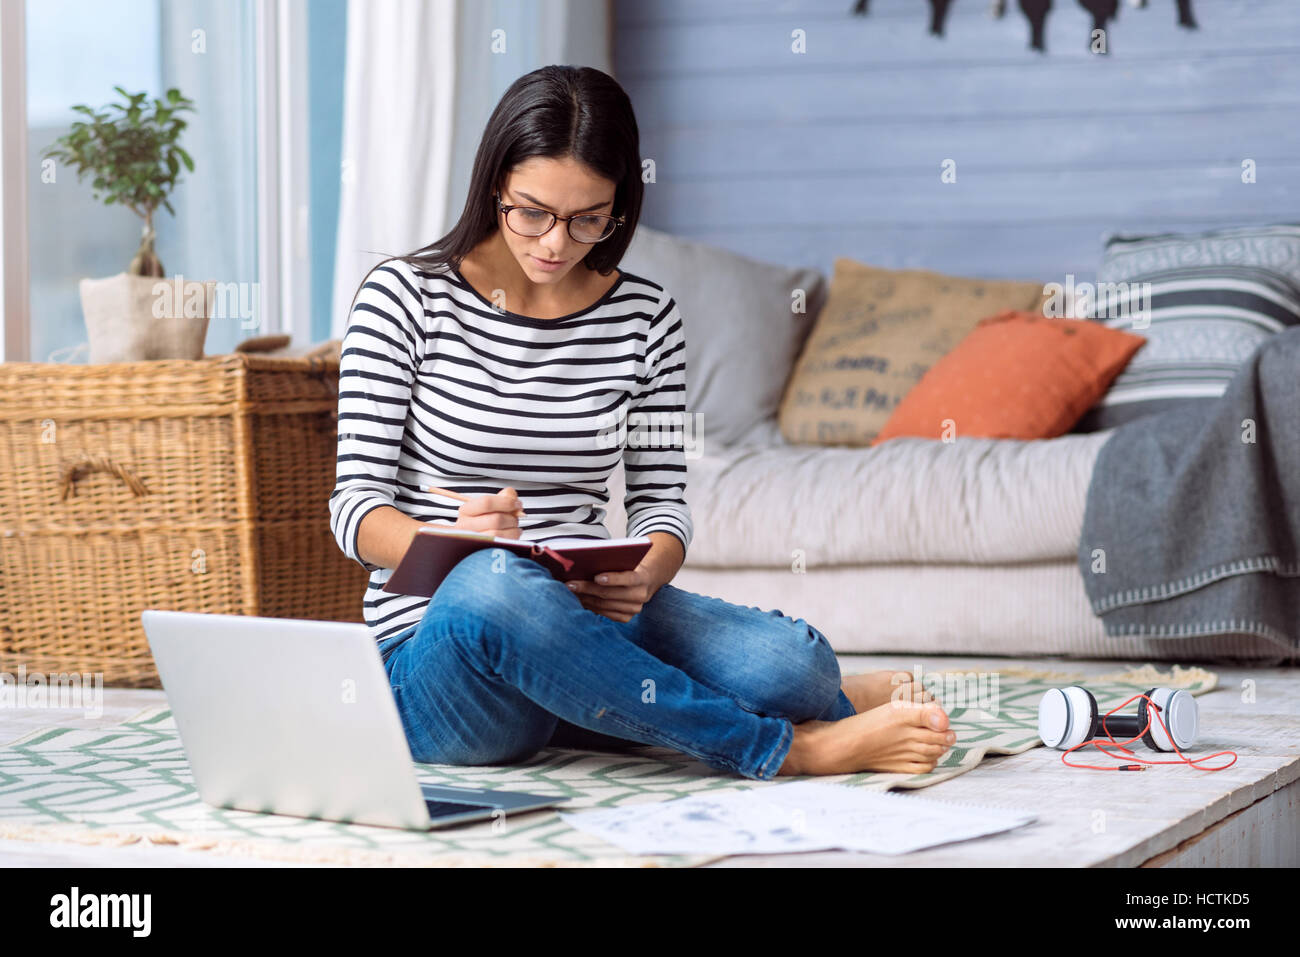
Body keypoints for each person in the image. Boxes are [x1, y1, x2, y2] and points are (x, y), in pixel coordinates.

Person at [329, 65, 953, 781]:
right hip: (440, 661)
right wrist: (451, 545)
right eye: (532, 212)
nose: (556, 244)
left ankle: (613, 698)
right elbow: (354, 512)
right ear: (494, 183)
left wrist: (647, 572)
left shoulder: (644, 315)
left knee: (795, 666)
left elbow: (661, 501)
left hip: (586, 618)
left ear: (620, 205)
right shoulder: (403, 299)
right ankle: (784, 747)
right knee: (498, 584)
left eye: (588, 218)